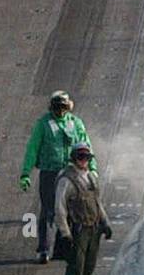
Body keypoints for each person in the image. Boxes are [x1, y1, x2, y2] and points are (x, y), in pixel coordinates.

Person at [19, 90, 95, 264]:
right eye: (57, 107)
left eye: (63, 107)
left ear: (68, 108)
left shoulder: (76, 124)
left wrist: (92, 169)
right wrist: (25, 173)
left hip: (71, 174)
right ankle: (43, 249)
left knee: (70, 211)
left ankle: (63, 250)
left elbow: (86, 146)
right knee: (48, 211)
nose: (60, 111)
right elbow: (33, 148)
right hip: (49, 172)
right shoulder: (43, 125)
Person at [54, 143, 111, 275]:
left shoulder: (91, 177)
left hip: (93, 229)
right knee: (76, 269)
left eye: (86, 157)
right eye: (81, 157)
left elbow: (97, 203)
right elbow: (59, 209)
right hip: (77, 231)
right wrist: (65, 234)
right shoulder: (66, 180)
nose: (84, 160)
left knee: (89, 267)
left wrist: (105, 223)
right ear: (74, 158)